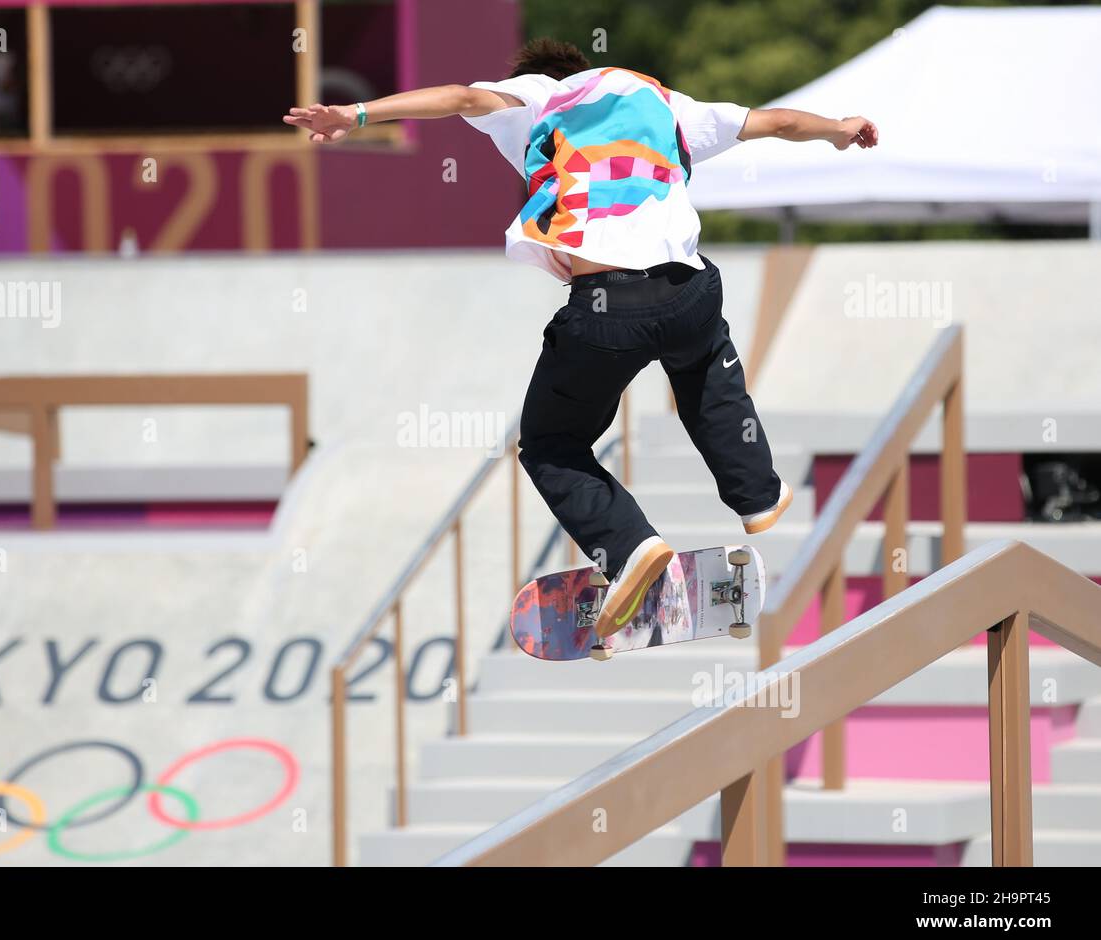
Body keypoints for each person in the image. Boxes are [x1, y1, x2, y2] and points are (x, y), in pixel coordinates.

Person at [283, 38, 878, 638]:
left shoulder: (541, 93)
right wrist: (839, 129)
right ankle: (756, 493)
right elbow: (777, 122)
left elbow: (459, 96)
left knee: (550, 444)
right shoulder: (669, 104)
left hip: (604, 309)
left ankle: (631, 550)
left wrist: (355, 115)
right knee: (702, 368)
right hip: (689, 292)